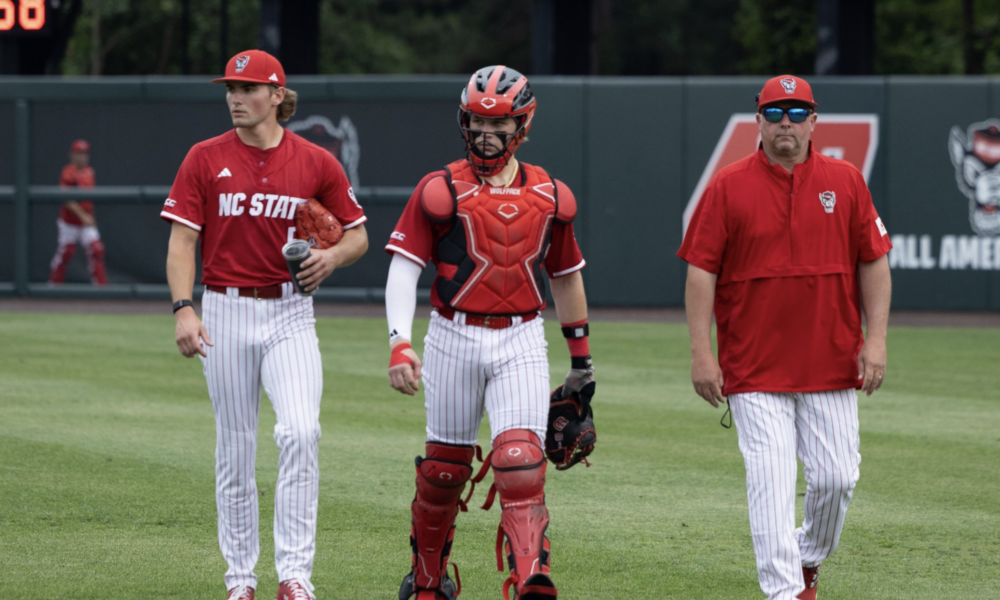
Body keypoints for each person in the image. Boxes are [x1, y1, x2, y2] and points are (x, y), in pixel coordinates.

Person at [161, 50, 369, 600]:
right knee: (236, 447)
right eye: (230, 88)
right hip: (225, 309)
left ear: (278, 96)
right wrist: (184, 307)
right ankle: (240, 580)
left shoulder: (315, 161)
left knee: (301, 431)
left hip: (289, 311)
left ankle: (295, 575)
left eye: (249, 88)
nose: (235, 97)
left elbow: (357, 234)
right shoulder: (204, 158)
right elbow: (182, 242)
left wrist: (332, 258)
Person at [677, 75, 893, 600]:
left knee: (837, 479)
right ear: (759, 121)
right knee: (771, 485)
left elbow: (874, 259)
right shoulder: (728, 185)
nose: (786, 124)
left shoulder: (844, 181)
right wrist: (702, 353)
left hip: (831, 361)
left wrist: (878, 339)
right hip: (753, 367)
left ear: (814, 121)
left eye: (797, 114)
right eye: (775, 114)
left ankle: (807, 558)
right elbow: (700, 271)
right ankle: (784, 591)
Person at [384, 65, 592, 600]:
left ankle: (531, 579)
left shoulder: (550, 195)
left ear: (523, 126)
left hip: (521, 335)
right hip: (452, 334)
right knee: (443, 471)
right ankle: (427, 580)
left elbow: (566, 276)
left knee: (521, 460)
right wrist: (398, 341)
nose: (483, 134)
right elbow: (404, 267)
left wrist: (581, 361)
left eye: (496, 125)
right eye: (476, 122)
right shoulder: (438, 189)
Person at [48, 139, 108, 285]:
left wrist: (91, 218)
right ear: (72, 155)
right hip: (69, 222)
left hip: (86, 221)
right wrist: (84, 216)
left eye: (84, 154)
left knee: (96, 250)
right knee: (66, 252)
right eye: (79, 153)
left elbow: (89, 199)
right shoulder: (68, 172)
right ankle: (53, 287)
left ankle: (101, 290)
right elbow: (68, 200)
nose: (82, 157)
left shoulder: (89, 171)